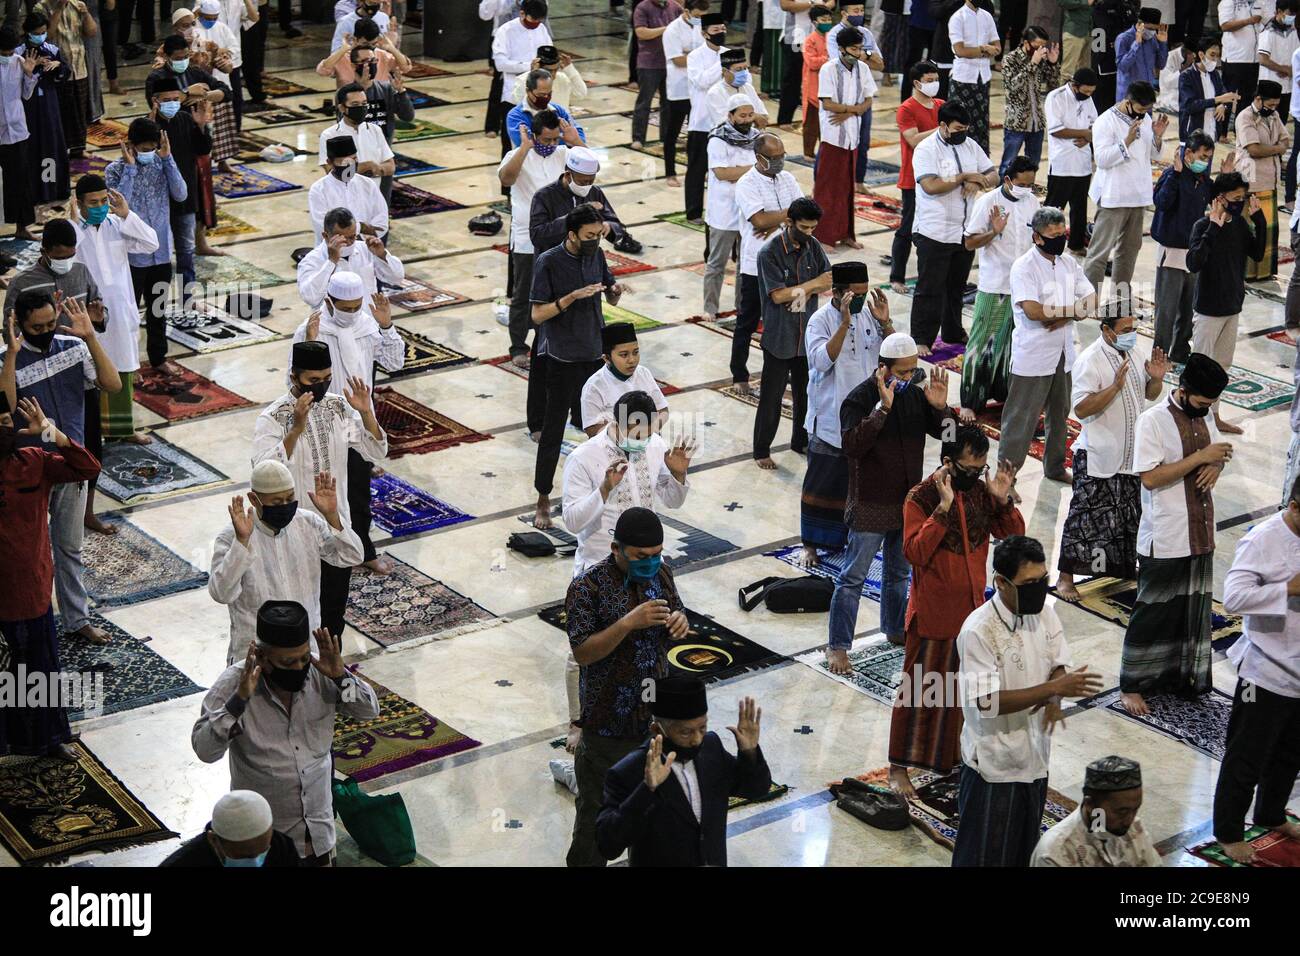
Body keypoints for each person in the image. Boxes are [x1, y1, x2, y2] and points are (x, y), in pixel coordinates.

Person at [953, 534, 1103, 867]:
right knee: (983, 858)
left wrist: (1055, 691)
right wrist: (1053, 690)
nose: (1038, 589)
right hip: (993, 765)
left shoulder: (1043, 613)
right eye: (1029, 583)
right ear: (1002, 583)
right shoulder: (978, 630)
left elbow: (1057, 662)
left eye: (1043, 580)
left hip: (1034, 757)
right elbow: (987, 702)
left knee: (1023, 854)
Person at [192, 600, 380, 865]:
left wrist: (341, 677)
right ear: (261, 656)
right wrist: (238, 703)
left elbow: (367, 711)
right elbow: (205, 751)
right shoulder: (233, 685)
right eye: (287, 662)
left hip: (319, 836)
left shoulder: (320, 674)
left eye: (303, 658)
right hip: (266, 845)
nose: (298, 668)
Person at [891, 427, 1022, 795]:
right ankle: (898, 768)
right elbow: (914, 552)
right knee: (919, 693)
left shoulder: (980, 494)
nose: (974, 476)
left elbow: (1015, 540)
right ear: (947, 463)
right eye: (967, 469)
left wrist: (1002, 501)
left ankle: (951, 759)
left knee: (962, 694)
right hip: (932, 615)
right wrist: (943, 509)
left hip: (972, 616)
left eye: (980, 469)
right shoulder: (919, 497)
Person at [565, 507, 690, 867]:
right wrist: (626, 624)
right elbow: (584, 653)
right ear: (616, 548)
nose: (651, 563)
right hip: (608, 723)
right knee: (597, 819)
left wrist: (681, 622)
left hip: (654, 720)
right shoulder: (587, 588)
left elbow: (678, 612)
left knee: (652, 814)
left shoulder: (662, 574)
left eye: (656, 555)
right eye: (641, 557)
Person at [831, 334, 955, 671]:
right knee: (853, 577)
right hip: (871, 503)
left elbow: (950, 439)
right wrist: (882, 409)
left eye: (912, 371)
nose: (907, 378)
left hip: (906, 504)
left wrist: (942, 409)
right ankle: (838, 646)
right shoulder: (859, 399)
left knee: (899, 573)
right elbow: (852, 446)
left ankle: (895, 628)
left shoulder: (915, 396)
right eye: (902, 373)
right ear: (882, 368)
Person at [1119, 353, 1232, 716]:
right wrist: (1202, 459)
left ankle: (1179, 677)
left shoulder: (1203, 415)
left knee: (1190, 610)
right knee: (1153, 612)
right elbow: (1150, 478)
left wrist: (1214, 464)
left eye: (1212, 404)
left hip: (1200, 530)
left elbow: (1216, 452)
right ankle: (1132, 685)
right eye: (1202, 402)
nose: (1206, 409)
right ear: (1183, 391)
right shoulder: (1153, 422)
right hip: (1166, 533)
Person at [3, 290, 119, 645]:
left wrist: (90, 336)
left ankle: (76, 618)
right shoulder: (8, 359)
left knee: (69, 546)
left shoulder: (74, 347)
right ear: (20, 324)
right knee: (23, 551)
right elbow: (6, 406)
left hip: (67, 463)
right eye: (37, 326)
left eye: (52, 323)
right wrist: (11, 355)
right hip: (28, 469)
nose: (47, 330)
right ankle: (21, 617)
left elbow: (112, 384)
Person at [251, 340, 388, 639]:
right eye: (314, 381)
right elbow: (263, 468)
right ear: (294, 378)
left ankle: (330, 676)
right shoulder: (274, 417)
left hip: (336, 523)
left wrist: (365, 413)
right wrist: (296, 429)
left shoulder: (337, 408)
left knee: (332, 613)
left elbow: (374, 449)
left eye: (327, 378)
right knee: (296, 613)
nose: (322, 385)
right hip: (293, 530)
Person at [0, 393, 99, 761]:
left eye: (7, 424)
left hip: (33, 592)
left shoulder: (34, 462)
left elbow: (87, 469)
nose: (4, 431)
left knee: (41, 674)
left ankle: (48, 738)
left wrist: (52, 434)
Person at [1055, 303, 1169, 601]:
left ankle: (1120, 571)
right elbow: (1080, 408)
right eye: (1125, 330)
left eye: (1133, 328)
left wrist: (1156, 378)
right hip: (1098, 455)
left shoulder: (1134, 351)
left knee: (1127, 518)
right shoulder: (1090, 361)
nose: (1131, 334)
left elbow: (1150, 393)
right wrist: (1114, 387)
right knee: (1084, 518)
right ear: (1106, 330)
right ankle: (1065, 578)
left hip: (1131, 455)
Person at [1215, 478, 1300, 863]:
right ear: (1295, 506)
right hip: (1265, 669)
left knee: (1290, 753)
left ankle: (1270, 813)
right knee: (1247, 756)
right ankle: (1229, 831)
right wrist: (1289, 589)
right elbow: (1233, 599)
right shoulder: (1263, 539)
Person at [596, 680, 770, 866]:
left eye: (702, 728)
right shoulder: (630, 770)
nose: (697, 740)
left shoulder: (711, 748)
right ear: (657, 730)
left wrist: (750, 752)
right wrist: (647, 789)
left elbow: (756, 790)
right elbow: (608, 845)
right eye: (685, 733)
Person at [530, 203, 627, 529]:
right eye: (589, 235)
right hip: (561, 357)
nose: (596, 240)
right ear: (571, 234)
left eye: (599, 235)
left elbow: (608, 295)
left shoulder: (596, 255)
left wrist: (615, 291)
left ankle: (603, 489)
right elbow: (537, 315)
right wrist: (572, 297)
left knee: (601, 427)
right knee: (553, 432)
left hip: (592, 352)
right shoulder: (549, 262)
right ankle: (543, 499)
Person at [208, 460, 363, 663]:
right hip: (255, 654)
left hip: (304, 650)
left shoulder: (308, 523)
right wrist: (242, 543)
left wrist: (332, 516)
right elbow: (221, 593)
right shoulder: (232, 536)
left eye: (289, 498)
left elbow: (352, 556)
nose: (285, 506)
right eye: (276, 502)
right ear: (254, 499)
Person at [802, 261, 891, 560]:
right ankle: (811, 544)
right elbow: (821, 362)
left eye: (865, 294)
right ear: (837, 293)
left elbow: (889, 359)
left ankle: (853, 538)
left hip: (863, 417)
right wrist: (842, 324)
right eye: (856, 295)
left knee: (859, 483)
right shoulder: (819, 321)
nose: (862, 301)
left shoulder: (869, 316)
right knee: (823, 483)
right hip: (829, 416)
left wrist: (886, 323)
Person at [1000, 206, 1096, 483]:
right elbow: (1033, 311)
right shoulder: (1024, 267)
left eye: (1062, 233)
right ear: (1037, 237)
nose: (1059, 239)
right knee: (1021, 419)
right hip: (1034, 354)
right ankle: (1006, 478)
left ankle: (1054, 467)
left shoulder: (1068, 264)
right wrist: (1071, 312)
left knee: (1060, 414)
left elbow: (1090, 299)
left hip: (1064, 353)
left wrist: (1062, 314)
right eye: (1052, 235)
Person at [67, 174, 160, 455]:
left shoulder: (117, 224)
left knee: (122, 365)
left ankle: (122, 429)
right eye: (93, 202)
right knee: (88, 371)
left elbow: (151, 244)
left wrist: (127, 213)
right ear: (80, 204)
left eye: (104, 200)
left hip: (120, 310)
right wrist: (73, 224)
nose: (100, 206)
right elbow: (68, 258)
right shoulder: (73, 230)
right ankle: (88, 431)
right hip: (86, 313)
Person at [563, 390, 690, 574]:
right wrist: (604, 490)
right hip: (601, 564)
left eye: (648, 435)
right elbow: (573, 522)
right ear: (617, 423)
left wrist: (678, 475)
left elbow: (673, 502)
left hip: (647, 562)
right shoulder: (583, 457)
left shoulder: (655, 444)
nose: (643, 442)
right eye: (637, 437)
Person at [104, 120, 187, 392]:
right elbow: (118, 206)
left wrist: (168, 158)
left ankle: (158, 357)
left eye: (152, 147)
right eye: (143, 148)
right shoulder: (115, 170)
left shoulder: (162, 164)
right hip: (131, 256)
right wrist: (129, 169)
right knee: (129, 314)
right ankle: (130, 363)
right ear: (130, 145)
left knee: (158, 309)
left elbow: (181, 193)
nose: (148, 152)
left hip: (161, 253)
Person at [911, 101, 997, 356]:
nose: (963, 132)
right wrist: (962, 178)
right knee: (930, 288)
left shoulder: (970, 145)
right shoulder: (926, 150)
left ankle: (952, 330)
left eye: (966, 128)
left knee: (955, 287)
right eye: (958, 128)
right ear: (943, 126)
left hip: (964, 230)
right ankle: (921, 337)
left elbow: (992, 173)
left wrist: (979, 182)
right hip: (934, 230)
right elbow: (930, 185)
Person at [1186, 171, 1267, 434]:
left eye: (1242, 198)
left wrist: (1260, 221)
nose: (1240, 202)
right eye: (1235, 198)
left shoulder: (1240, 226)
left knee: (1221, 366)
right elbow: (1194, 263)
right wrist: (1213, 227)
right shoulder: (1202, 226)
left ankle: (1214, 416)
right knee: (1199, 367)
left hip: (1232, 306)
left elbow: (1256, 253)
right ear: (1220, 198)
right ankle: (1188, 418)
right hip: (1209, 309)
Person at [754, 195, 832, 465]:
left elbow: (828, 279)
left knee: (806, 394)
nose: (810, 233)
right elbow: (777, 296)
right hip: (779, 335)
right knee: (772, 398)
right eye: (805, 228)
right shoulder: (770, 253)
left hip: (806, 334)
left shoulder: (813, 246)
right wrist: (811, 285)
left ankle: (800, 441)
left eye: (813, 228)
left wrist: (799, 291)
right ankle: (762, 450)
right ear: (789, 223)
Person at [960, 157, 1041, 418]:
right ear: (1008, 180)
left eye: (1031, 184)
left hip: (1023, 287)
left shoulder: (1032, 203)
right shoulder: (988, 202)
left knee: (1011, 343)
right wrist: (994, 232)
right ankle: (970, 400)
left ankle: (1003, 392)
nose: (1027, 188)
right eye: (1022, 184)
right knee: (983, 340)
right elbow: (969, 243)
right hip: (995, 284)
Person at [1083, 82, 1168, 325]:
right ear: (1128, 101)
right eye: (1141, 108)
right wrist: (1126, 141)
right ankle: (1089, 303)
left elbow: (1154, 156)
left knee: (1128, 253)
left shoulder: (1146, 118)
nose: (1143, 113)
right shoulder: (1105, 121)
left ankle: (1119, 303)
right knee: (1100, 253)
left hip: (1138, 195)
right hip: (1113, 196)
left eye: (1147, 109)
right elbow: (1101, 159)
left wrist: (1158, 137)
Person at [499, 111, 576, 368]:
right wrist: (524, 148)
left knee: (559, 291)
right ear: (534, 135)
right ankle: (519, 347)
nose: (552, 145)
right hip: (526, 239)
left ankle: (550, 342)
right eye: (547, 139)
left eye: (556, 139)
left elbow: (591, 168)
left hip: (559, 238)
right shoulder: (517, 156)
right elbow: (506, 178)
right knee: (524, 294)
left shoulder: (564, 154)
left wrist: (574, 140)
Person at [735, 131, 804, 388]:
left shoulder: (787, 178)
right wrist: (786, 216)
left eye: (782, 156)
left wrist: (776, 218)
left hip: (789, 261)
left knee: (785, 322)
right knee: (748, 321)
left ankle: (780, 370)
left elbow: (804, 213)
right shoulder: (747, 184)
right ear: (759, 157)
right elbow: (759, 221)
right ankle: (739, 374)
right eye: (773, 157)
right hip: (757, 264)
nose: (779, 161)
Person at [1031, 756, 1163, 866]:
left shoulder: (1133, 828)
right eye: (1121, 812)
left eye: (1135, 809)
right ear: (1090, 804)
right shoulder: (1055, 854)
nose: (1129, 820)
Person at [147, 76, 212, 297]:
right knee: (158, 255)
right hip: (157, 201)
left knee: (186, 251)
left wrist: (202, 126)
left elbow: (202, 150)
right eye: (167, 99)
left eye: (176, 98)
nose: (173, 103)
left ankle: (188, 298)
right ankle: (158, 302)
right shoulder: (145, 126)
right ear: (155, 101)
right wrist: (152, 128)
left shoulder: (186, 118)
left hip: (185, 199)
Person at [814, 24, 874, 248]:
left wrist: (850, 111)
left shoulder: (863, 69)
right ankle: (823, 236)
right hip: (833, 136)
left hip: (852, 135)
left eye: (860, 49)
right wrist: (853, 109)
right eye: (854, 49)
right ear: (841, 49)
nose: (858, 53)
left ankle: (847, 234)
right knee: (827, 188)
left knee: (848, 188)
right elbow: (828, 103)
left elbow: (868, 99)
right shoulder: (828, 69)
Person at [701, 94, 757, 323]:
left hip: (748, 210)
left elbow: (760, 168)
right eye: (742, 116)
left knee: (746, 264)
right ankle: (710, 307)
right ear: (730, 116)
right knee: (717, 263)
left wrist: (741, 170)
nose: (747, 120)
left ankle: (741, 306)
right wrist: (753, 168)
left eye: (750, 115)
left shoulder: (756, 138)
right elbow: (722, 173)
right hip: (723, 211)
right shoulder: (718, 139)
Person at [530, 146, 642, 259]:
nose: (587, 186)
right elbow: (537, 237)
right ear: (568, 175)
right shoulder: (544, 196)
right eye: (583, 182)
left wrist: (608, 226)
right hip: (554, 263)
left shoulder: (594, 192)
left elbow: (617, 226)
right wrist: (573, 218)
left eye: (591, 181)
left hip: (588, 263)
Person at [891, 60, 943, 292]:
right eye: (929, 81)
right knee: (907, 227)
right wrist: (941, 129)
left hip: (939, 176)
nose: (934, 84)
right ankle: (897, 276)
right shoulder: (907, 109)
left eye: (936, 80)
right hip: (913, 177)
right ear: (917, 83)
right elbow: (912, 139)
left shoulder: (941, 105)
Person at [1234, 80, 1289, 278]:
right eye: (1270, 105)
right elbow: (1254, 149)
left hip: (1270, 180)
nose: (1274, 109)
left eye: (1276, 105)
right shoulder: (1245, 117)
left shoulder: (1273, 116)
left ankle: (1265, 273)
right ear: (1258, 99)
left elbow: (1285, 139)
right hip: (1251, 181)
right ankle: (1247, 273)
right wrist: (1276, 149)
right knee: (1252, 229)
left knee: (1268, 229)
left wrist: (1274, 148)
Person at [161, 790, 301, 867]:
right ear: (214, 840)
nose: (256, 861)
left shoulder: (282, 847)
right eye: (245, 856)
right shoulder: (182, 864)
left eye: (263, 852)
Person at [298, 208, 405, 309]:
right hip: (332, 325)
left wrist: (382, 255)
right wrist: (331, 262)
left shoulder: (366, 249)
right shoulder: (311, 261)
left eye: (352, 237)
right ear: (326, 236)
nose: (348, 243)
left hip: (367, 322)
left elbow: (397, 278)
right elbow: (310, 298)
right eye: (341, 238)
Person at [18, 13, 70, 210]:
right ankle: (33, 191)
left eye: (43, 32)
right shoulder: (18, 52)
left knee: (50, 146)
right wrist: (29, 69)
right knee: (32, 148)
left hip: (48, 105)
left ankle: (51, 190)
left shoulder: (52, 49)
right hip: (27, 106)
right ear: (27, 32)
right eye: (36, 33)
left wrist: (58, 66)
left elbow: (65, 73)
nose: (40, 36)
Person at [1043, 68, 1097, 260]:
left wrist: (1089, 136)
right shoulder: (1056, 97)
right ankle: (1044, 243)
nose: (1089, 95)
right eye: (1086, 91)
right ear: (1075, 86)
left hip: (1082, 164)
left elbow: (1095, 124)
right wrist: (1084, 134)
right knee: (1053, 209)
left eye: (1092, 92)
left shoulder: (1087, 99)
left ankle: (1075, 244)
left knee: (1080, 208)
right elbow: (1056, 130)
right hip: (1062, 164)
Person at [580, 323, 670, 435]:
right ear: (607, 358)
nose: (632, 360)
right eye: (624, 355)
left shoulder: (643, 373)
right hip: (614, 449)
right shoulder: (594, 386)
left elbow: (662, 410)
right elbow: (592, 428)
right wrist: (629, 437)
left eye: (635, 352)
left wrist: (650, 431)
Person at [493, 0, 553, 155]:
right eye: (534, 20)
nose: (537, 24)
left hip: (538, 95)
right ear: (522, 13)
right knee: (511, 142)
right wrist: (528, 66)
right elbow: (500, 64)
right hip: (513, 95)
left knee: (539, 139)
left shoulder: (541, 29)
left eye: (540, 20)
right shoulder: (505, 31)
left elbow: (549, 51)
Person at [318, 82, 396, 203]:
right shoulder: (330, 135)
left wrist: (375, 169)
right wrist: (366, 167)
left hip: (373, 198)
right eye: (355, 104)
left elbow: (390, 166)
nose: (361, 108)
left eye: (364, 104)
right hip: (344, 200)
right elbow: (332, 173)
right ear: (342, 108)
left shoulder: (374, 130)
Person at [36, 0, 95, 158]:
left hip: (79, 66)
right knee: (62, 112)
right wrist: (59, 9)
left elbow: (91, 32)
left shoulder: (77, 4)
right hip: (57, 67)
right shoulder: (41, 7)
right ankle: (61, 148)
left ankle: (79, 148)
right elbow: (48, 35)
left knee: (80, 110)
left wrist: (86, 14)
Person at [683, 12, 727, 222]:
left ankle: (721, 210)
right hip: (701, 121)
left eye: (723, 29)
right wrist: (722, 64)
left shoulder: (729, 52)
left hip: (725, 121)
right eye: (715, 30)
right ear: (704, 33)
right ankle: (693, 212)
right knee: (697, 170)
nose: (720, 33)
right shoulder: (695, 56)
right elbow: (701, 81)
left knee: (725, 169)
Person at [998, 27, 1059, 176]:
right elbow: (1012, 87)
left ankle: (1026, 194)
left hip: (1036, 122)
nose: (1041, 49)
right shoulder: (1010, 59)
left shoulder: (1042, 59)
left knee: (1033, 165)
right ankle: (1001, 195)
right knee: (1008, 164)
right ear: (1026, 43)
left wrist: (1052, 64)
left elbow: (1053, 85)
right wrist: (1032, 64)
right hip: (1016, 122)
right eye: (1037, 45)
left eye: (1043, 46)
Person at [308, 135, 389, 245]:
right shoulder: (319, 190)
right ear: (330, 162)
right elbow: (323, 227)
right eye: (344, 163)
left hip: (366, 250)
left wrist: (363, 238)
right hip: (333, 253)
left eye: (354, 160)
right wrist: (361, 227)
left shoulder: (368, 184)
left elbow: (381, 220)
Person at [660, 1, 705, 187]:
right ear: (686, 12)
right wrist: (698, 55)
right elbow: (678, 60)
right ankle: (670, 173)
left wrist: (691, 54)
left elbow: (710, 52)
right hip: (678, 90)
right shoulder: (672, 30)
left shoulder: (703, 26)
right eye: (697, 15)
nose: (700, 19)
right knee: (672, 133)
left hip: (699, 88)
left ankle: (696, 171)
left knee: (698, 133)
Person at [0, 29, 39, 241]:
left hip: (17, 130)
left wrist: (29, 74)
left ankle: (22, 227)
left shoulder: (19, 62)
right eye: (3, 53)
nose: (7, 56)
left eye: (9, 52)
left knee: (21, 180)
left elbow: (26, 94)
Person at [946, 0, 999, 153]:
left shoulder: (987, 16)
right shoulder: (958, 18)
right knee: (959, 123)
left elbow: (997, 47)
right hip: (963, 78)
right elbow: (960, 51)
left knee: (981, 124)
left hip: (983, 77)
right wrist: (983, 49)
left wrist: (983, 50)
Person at [631, 0, 681, 149]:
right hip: (649, 63)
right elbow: (641, 32)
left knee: (668, 103)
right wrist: (667, 29)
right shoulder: (642, 7)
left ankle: (666, 137)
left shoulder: (674, 7)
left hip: (670, 63)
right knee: (644, 102)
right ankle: (638, 138)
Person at [346, 41, 414, 147]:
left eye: (373, 60)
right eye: (365, 61)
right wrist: (362, 89)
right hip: (358, 152)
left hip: (384, 152)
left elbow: (408, 117)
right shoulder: (346, 93)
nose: (370, 64)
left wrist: (401, 92)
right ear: (354, 66)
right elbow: (350, 124)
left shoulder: (386, 89)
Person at [505, 68, 588, 148]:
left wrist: (573, 139)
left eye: (549, 94)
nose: (546, 97)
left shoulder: (558, 110)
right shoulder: (515, 115)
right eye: (541, 95)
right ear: (528, 91)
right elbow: (527, 143)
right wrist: (563, 138)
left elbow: (579, 135)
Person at [316, 18, 410, 87]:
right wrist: (342, 50)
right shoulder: (343, 57)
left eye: (373, 43)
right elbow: (322, 71)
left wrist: (392, 49)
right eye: (365, 43)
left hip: (379, 105)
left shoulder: (382, 55)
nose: (369, 47)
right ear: (355, 39)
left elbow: (406, 67)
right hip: (351, 106)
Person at [1178, 37, 1234, 143]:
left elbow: (1226, 97)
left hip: (1212, 133)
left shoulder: (1215, 75)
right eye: (1212, 55)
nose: (1215, 59)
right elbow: (1190, 106)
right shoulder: (1186, 76)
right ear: (1201, 55)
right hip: (1192, 135)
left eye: (1218, 56)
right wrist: (1217, 100)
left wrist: (1223, 106)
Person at [799, 4, 835, 161]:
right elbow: (812, 63)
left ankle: (826, 150)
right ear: (815, 22)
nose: (827, 22)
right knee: (812, 122)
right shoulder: (809, 41)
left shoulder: (833, 38)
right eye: (823, 19)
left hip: (829, 86)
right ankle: (808, 153)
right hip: (813, 86)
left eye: (829, 19)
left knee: (827, 122)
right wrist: (828, 59)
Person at [509, 44, 588, 112]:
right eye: (549, 71)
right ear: (538, 66)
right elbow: (518, 101)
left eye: (556, 70)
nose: (553, 75)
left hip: (561, 127)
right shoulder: (522, 80)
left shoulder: (562, 78)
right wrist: (533, 77)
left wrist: (570, 69)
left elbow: (581, 94)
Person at [705, 46, 769, 128]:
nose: (743, 72)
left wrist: (752, 117)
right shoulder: (715, 93)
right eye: (738, 69)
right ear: (725, 71)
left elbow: (764, 117)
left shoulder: (748, 88)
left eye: (745, 68)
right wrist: (754, 116)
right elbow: (725, 123)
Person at [1114, 7, 1168, 102]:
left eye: (1154, 29)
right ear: (1139, 24)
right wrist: (1136, 44)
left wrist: (1163, 43)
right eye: (1149, 28)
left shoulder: (1153, 39)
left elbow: (1161, 65)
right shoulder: (1123, 39)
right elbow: (1122, 67)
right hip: (1129, 96)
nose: (1152, 32)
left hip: (1147, 95)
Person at [1219, 0, 1265, 108]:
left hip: (1253, 59)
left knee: (1249, 98)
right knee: (1231, 99)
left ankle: (1243, 124)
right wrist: (1248, 21)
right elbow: (1225, 26)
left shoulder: (1258, 3)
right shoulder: (1228, 2)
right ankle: (1227, 124)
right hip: (1235, 59)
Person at [1058, 0, 1093, 78]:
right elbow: (1062, 2)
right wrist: (1085, 2)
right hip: (1074, 30)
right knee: (1068, 72)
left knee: (1085, 71)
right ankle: (1065, 90)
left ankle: (1082, 90)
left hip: (1088, 29)